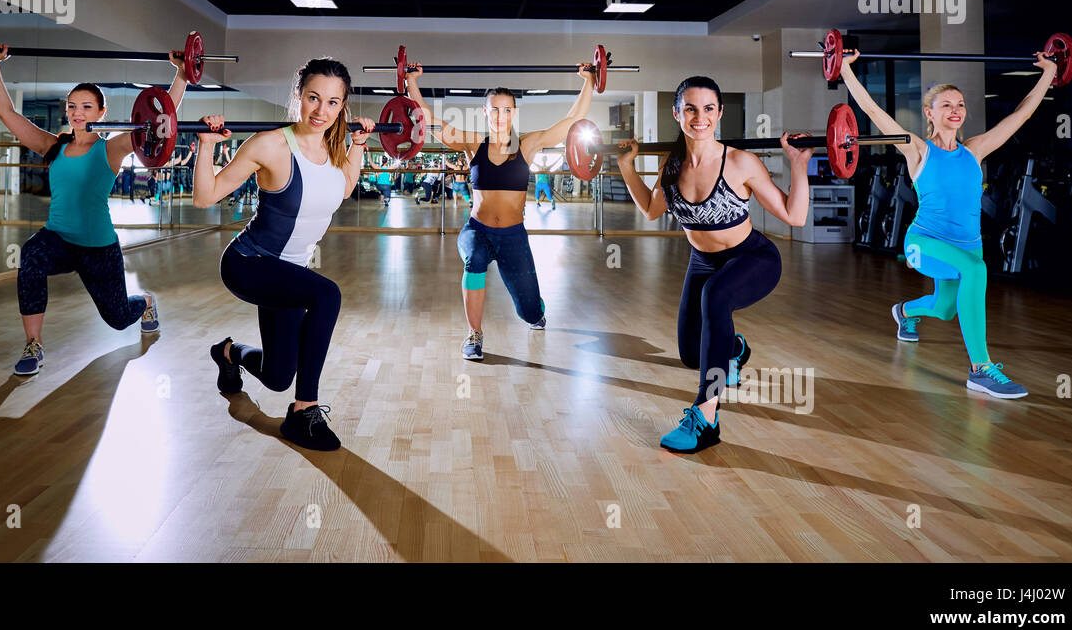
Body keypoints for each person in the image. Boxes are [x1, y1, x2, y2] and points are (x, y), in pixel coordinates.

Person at [838, 49, 1054, 399]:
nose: (956, 111)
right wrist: (846, 70)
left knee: (944, 308)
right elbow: (874, 113)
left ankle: (904, 312)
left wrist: (1049, 72)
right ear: (929, 113)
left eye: (960, 104)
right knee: (976, 270)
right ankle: (980, 369)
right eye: (946, 105)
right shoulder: (918, 150)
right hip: (924, 242)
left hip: (965, 244)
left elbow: (1022, 114)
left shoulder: (975, 150)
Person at [616, 76, 812, 453]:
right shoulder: (671, 167)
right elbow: (652, 209)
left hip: (753, 258)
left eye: (708, 109)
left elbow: (794, 214)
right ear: (677, 113)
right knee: (693, 353)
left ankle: (706, 418)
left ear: (719, 113)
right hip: (703, 261)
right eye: (690, 108)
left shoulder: (741, 162)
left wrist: (798, 164)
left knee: (715, 297)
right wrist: (627, 166)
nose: (699, 117)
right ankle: (734, 348)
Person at [201, 58, 376, 451]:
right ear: (299, 96)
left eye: (333, 103)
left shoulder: (333, 147)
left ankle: (227, 353)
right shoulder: (270, 145)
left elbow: (345, 187)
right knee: (327, 294)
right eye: (314, 98)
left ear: (342, 106)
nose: (321, 111)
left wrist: (358, 145)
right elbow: (205, 195)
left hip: (289, 273)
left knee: (278, 376)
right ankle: (303, 412)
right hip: (249, 264)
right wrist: (207, 146)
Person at [0, 44, 189, 376]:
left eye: (86, 106)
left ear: (101, 112)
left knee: (119, 318)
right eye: (72, 106)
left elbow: (159, 119)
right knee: (31, 258)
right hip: (58, 240)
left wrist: (181, 74)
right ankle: (33, 345)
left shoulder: (112, 148)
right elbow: (8, 113)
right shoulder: (54, 145)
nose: (77, 112)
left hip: (98, 248)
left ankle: (146, 302)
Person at [403, 59, 597, 361]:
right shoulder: (472, 144)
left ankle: (535, 309)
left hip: (513, 237)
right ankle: (474, 334)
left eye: (506, 109)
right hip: (477, 230)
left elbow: (571, 122)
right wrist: (411, 81)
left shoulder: (528, 145)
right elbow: (431, 123)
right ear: (484, 112)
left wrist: (589, 80)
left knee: (529, 311)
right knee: (474, 261)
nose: (500, 115)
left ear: (514, 112)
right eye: (494, 109)